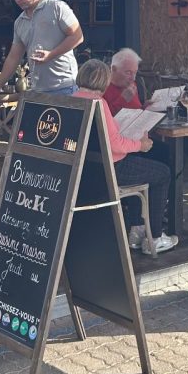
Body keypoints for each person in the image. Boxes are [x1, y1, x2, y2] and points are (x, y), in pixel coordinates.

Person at [74, 58, 177, 254]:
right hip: (113, 168)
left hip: (91, 168)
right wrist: (140, 145)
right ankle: (154, 237)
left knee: (143, 169)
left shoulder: (74, 99)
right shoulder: (99, 103)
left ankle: (137, 229)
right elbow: (115, 144)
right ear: (104, 80)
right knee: (162, 173)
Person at [0, 0, 83, 95]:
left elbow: (78, 36)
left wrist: (51, 54)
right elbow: (13, 57)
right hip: (37, 89)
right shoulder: (19, 22)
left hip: (64, 86)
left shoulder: (57, 7)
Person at [104, 47, 147, 116]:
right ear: (114, 69)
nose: (133, 78)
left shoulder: (131, 84)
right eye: (128, 72)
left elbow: (134, 108)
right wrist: (123, 99)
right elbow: (105, 119)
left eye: (135, 72)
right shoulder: (103, 88)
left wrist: (144, 107)